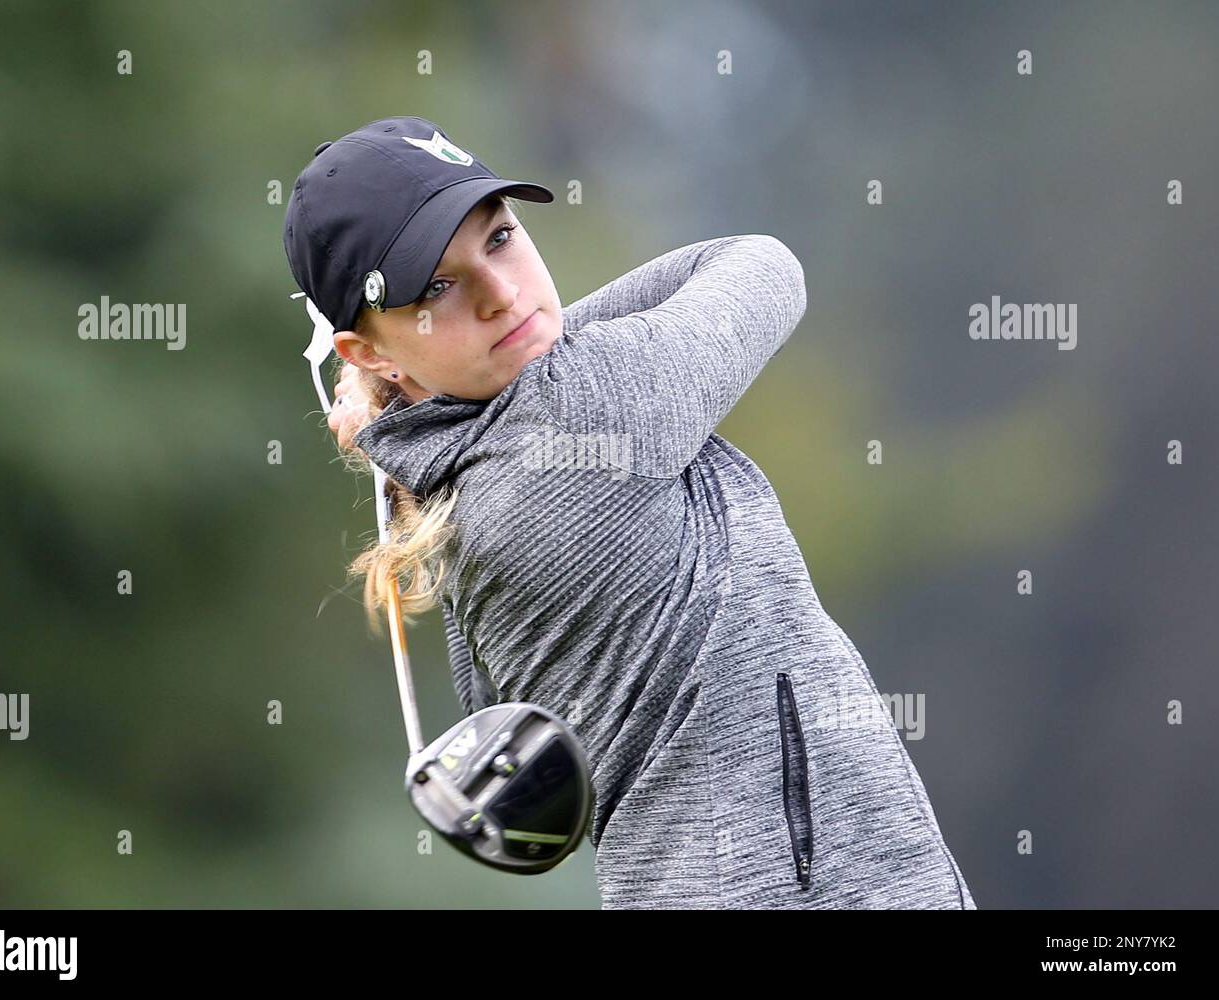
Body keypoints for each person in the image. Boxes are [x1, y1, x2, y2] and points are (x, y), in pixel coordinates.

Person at [285, 115, 977, 910]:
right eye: (438, 287)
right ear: (364, 351)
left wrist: (410, 393)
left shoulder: (454, 491)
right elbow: (759, 265)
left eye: (501, 237)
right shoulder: (585, 413)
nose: (502, 295)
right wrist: (519, 348)